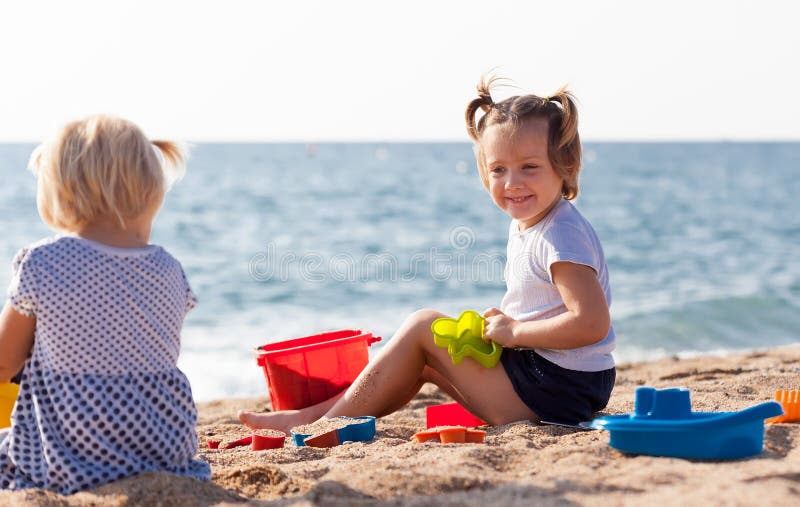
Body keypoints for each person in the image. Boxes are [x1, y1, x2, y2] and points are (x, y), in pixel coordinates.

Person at [239, 76, 615, 432]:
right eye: (498, 169)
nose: (512, 183)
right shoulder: (537, 222)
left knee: (423, 326)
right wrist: (511, 323)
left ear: (564, 167)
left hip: (556, 391)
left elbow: (591, 323)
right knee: (420, 360)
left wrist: (516, 332)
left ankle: (319, 426)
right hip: (551, 381)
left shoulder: (560, 235)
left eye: (529, 167)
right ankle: (312, 417)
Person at [0, 115, 210, 493]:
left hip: (71, 460)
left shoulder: (42, 263)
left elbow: (4, 362)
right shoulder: (169, 269)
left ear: (58, 194)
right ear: (151, 193)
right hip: (165, 453)